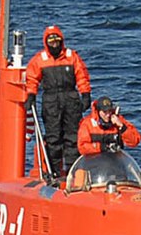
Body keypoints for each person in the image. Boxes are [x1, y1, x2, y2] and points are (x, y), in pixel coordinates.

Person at [23, 25, 91, 179]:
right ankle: (53, 171)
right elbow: (32, 78)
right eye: (51, 42)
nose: (55, 44)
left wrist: (85, 94)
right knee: (53, 138)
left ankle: (73, 172)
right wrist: (31, 95)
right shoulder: (40, 60)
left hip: (70, 98)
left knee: (72, 137)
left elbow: (81, 75)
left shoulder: (71, 56)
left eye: (57, 41)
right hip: (51, 100)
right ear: (46, 43)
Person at [77, 96, 141, 158]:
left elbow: (135, 141)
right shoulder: (87, 124)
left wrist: (122, 127)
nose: (108, 115)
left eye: (109, 111)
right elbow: (82, 147)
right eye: (105, 112)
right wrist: (103, 147)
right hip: (94, 163)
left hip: (115, 162)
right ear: (98, 111)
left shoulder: (118, 120)